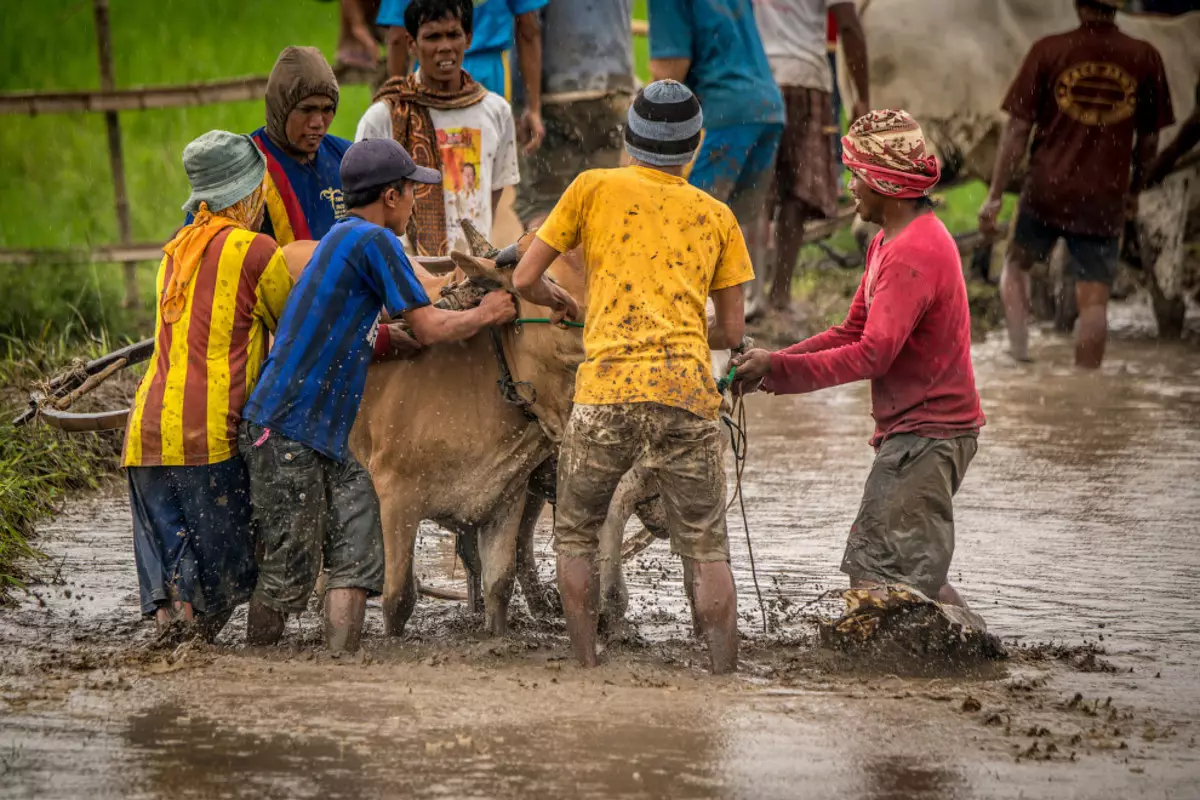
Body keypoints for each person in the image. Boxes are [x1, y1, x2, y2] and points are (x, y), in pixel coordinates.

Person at [238, 138, 518, 653]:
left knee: (359, 556)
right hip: (286, 429)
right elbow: (431, 326)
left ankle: (344, 666)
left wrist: (395, 337)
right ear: (390, 196)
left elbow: (352, 326)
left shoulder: (340, 238)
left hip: (323, 435)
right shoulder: (377, 243)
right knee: (288, 573)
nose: (416, 202)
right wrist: (488, 313)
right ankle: (256, 668)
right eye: (412, 191)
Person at [513, 81, 752, 674]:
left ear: (627, 140)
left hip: (605, 393)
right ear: (695, 148)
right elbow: (731, 331)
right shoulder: (717, 216)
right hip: (687, 395)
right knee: (705, 547)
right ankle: (723, 675)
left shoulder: (593, 188)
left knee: (575, 534)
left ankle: (587, 664)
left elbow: (522, 280)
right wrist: (685, 326)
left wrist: (563, 303)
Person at [733, 110, 986, 608]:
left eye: (857, 176)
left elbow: (873, 353)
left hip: (929, 434)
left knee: (876, 571)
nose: (850, 187)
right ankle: (969, 654)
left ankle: (926, 668)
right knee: (910, 573)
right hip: (921, 431)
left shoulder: (913, 252)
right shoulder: (888, 242)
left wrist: (778, 370)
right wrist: (774, 364)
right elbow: (850, 331)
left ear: (885, 184)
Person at [123, 131, 294, 640]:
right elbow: (292, 326)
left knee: (174, 601)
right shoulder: (258, 251)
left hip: (145, 439)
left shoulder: (172, 252)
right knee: (218, 590)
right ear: (245, 194)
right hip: (208, 441)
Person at [978, 0, 1174, 368]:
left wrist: (994, 196)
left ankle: (1019, 358)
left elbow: (1017, 130)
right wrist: (1133, 191)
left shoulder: (1048, 50)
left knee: (1016, 268)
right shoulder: (1145, 57)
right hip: (1104, 197)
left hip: (1045, 191)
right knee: (1095, 302)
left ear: (1078, 3)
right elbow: (1149, 142)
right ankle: (1087, 388)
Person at [648, 0, 785, 310]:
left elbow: (669, 74)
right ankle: (732, 317)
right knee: (732, 223)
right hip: (766, 106)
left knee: (687, 224)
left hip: (724, 109)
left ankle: (680, 314)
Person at [356, 0, 521, 256]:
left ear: (468, 39)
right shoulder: (383, 117)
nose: (445, 47)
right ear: (412, 43)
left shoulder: (496, 112)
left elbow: (494, 193)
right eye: (432, 37)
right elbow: (363, 205)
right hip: (406, 272)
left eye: (453, 35)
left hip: (474, 270)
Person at [755, 0, 870, 310]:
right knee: (797, 191)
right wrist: (861, 97)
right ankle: (780, 294)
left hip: (757, 76)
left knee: (756, 190)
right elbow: (848, 25)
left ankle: (750, 295)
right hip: (805, 77)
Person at [512, 0, 635, 229]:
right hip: (613, 87)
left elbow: (527, 27)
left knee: (544, 205)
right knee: (600, 202)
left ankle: (542, 265)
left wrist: (530, 105)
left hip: (553, 93)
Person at [376, 0, 547, 151]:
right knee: (489, 160)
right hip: (490, 72)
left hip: (430, 65)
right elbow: (528, 28)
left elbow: (397, 37)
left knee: (424, 154)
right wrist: (533, 107)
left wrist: (398, 102)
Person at [252, 47, 353, 244]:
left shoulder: (347, 158)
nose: (318, 122)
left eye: (327, 109)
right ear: (280, 108)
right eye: (307, 109)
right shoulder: (244, 167)